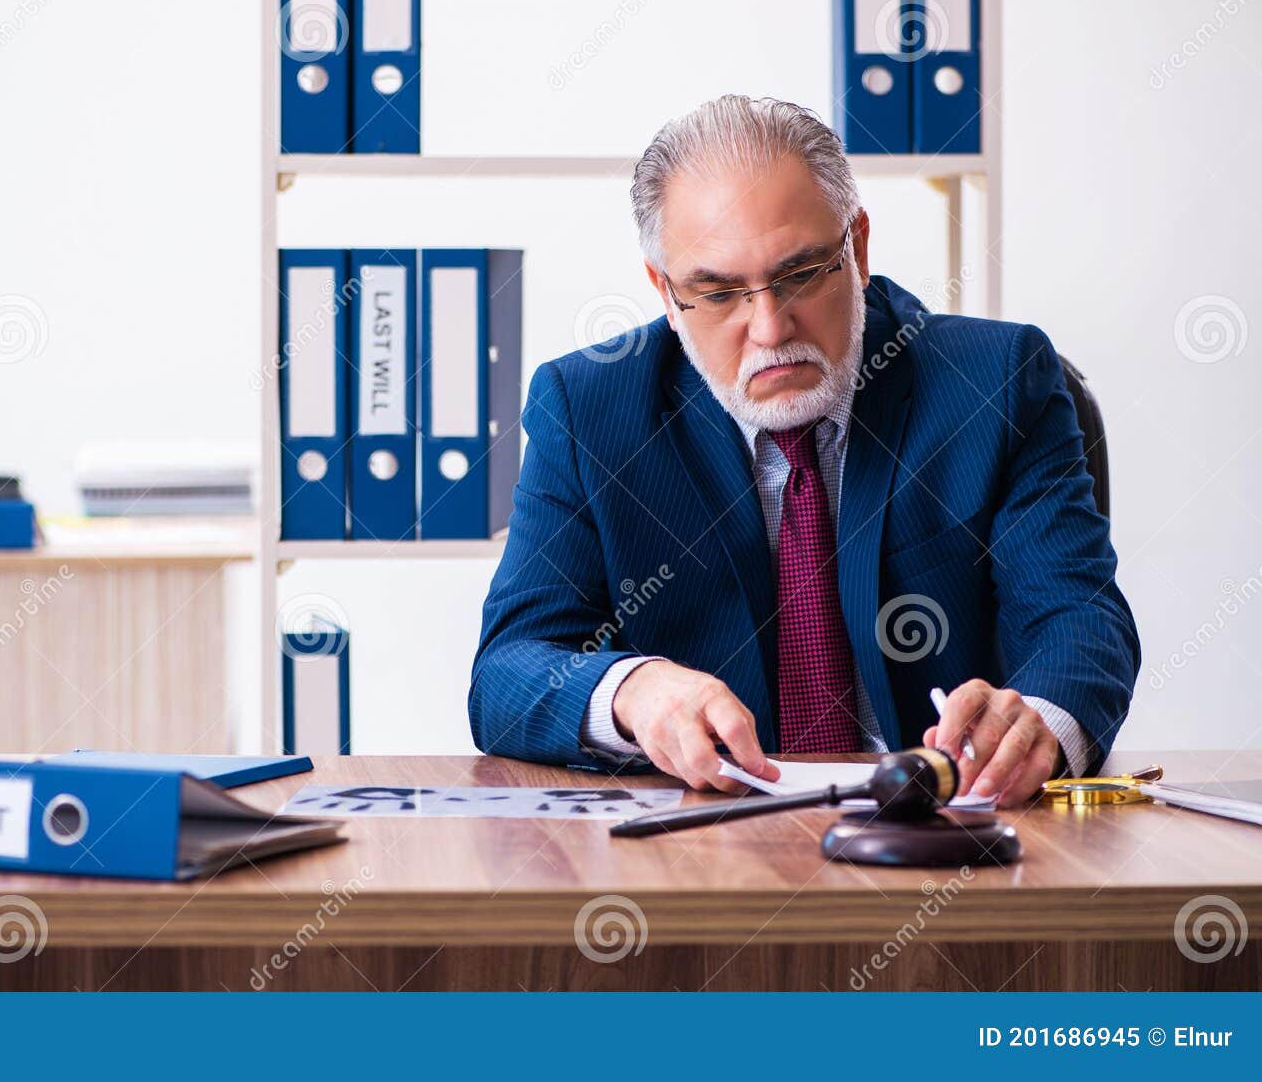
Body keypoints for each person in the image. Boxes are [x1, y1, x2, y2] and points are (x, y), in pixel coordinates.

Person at [468, 94, 1139, 807]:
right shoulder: (589, 410)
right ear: (665, 293)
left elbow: (1080, 619)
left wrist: (1038, 720)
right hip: (701, 855)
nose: (769, 328)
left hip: (944, 836)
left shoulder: (995, 382)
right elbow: (507, 672)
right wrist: (632, 690)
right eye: (719, 292)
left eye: (800, 275)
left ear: (858, 246)